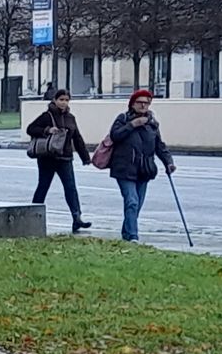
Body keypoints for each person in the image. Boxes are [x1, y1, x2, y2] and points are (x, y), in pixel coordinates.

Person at [105, 88, 175, 242]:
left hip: (144, 169)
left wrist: (168, 162)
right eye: (140, 102)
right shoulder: (123, 119)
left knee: (136, 205)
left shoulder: (152, 124)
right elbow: (115, 136)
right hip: (124, 168)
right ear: (132, 104)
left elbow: (159, 146)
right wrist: (133, 124)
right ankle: (133, 236)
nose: (143, 106)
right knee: (132, 201)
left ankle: (126, 231)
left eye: (146, 103)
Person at [25, 90, 92, 231]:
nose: (64, 102)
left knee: (71, 188)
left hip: (65, 158)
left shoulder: (70, 118)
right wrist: (47, 130)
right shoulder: (46, 116)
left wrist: (85, 157)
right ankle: (33, 216)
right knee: (43, 186)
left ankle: (77, 218)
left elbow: (77, 138)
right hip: (47, 158)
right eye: (61, 99)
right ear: (55, 100)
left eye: (67, 100)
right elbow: (30, 129)